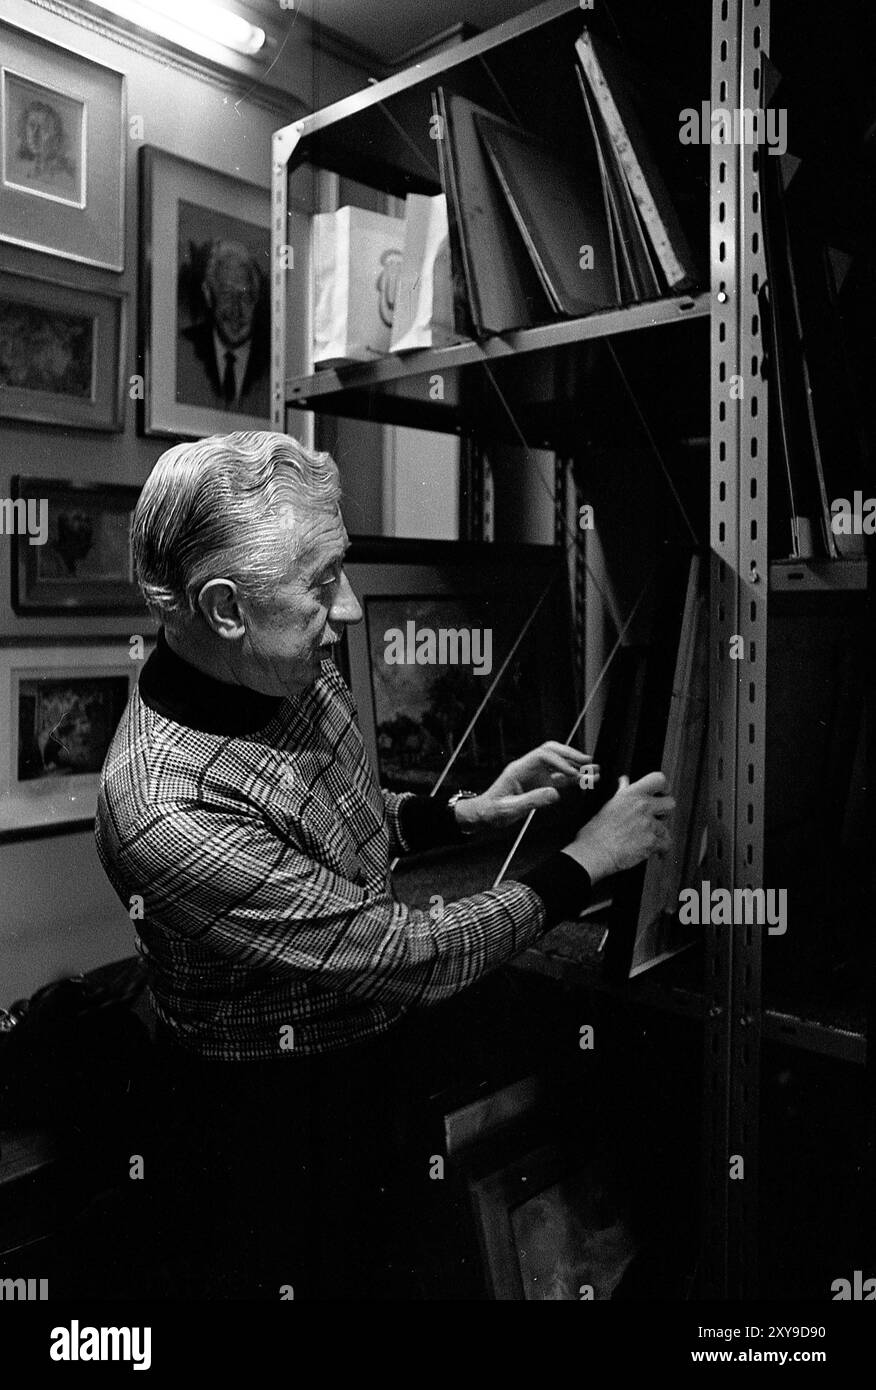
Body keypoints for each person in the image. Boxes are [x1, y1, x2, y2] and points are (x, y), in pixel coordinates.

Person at [95, 430, 673, 1299]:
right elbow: (404, 956)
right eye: (322, 581)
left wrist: (464, 811)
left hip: (368, 1082)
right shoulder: (162, 806)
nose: (354, 609)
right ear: (224, 609)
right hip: (268, 1128)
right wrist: (586, 862)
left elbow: (327, 816)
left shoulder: (279, 662)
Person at [175, 240, 269, 415]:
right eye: (227, 295)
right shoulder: (183, 348)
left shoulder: (270, 359)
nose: (237, 310)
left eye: (245, 296)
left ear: (255, 298)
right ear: (209, 295)